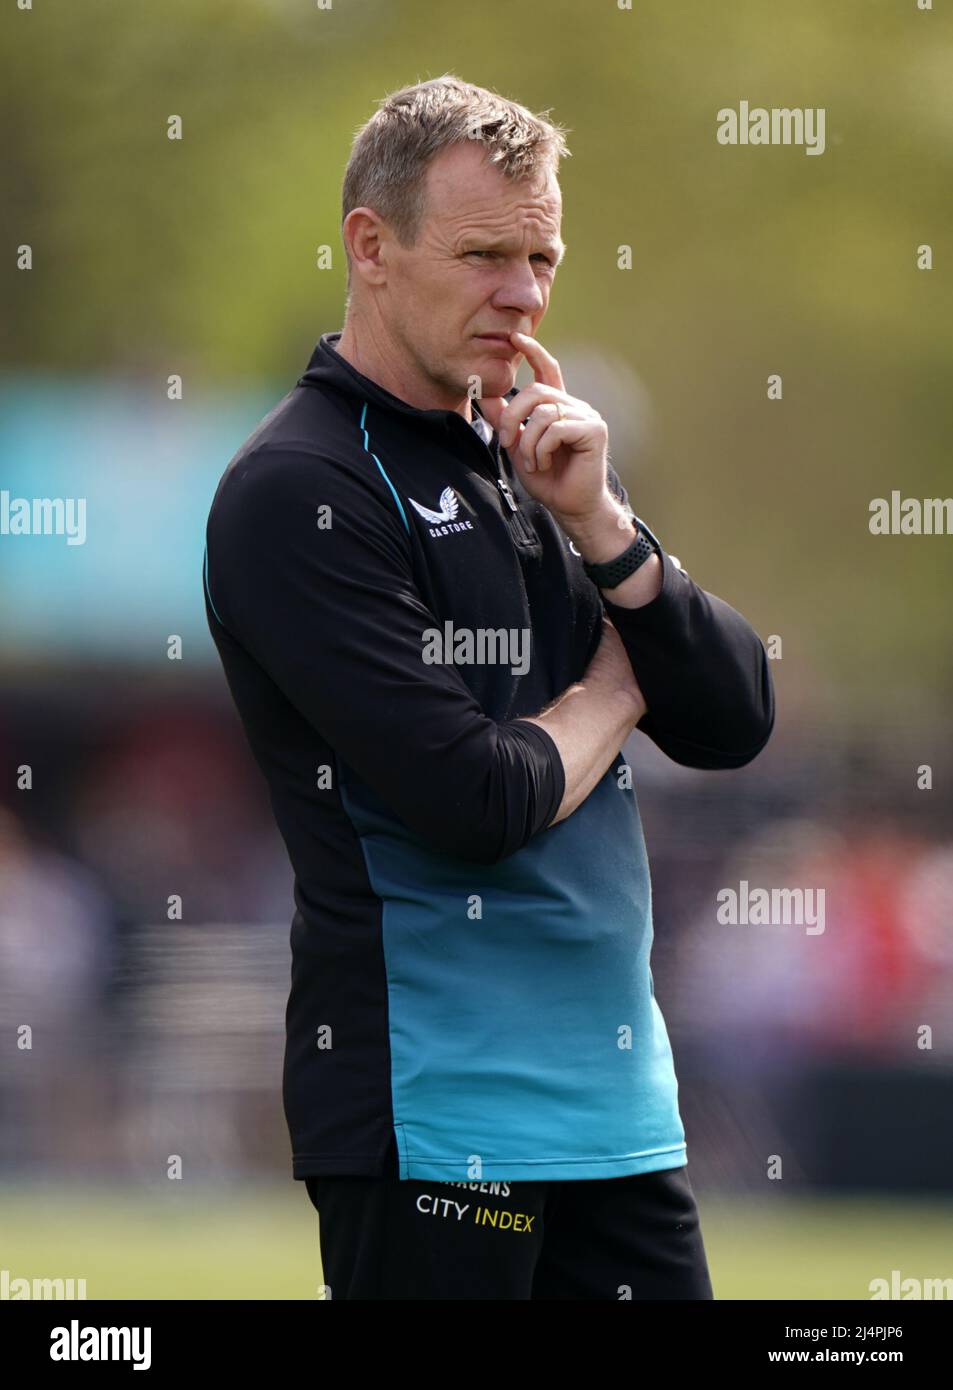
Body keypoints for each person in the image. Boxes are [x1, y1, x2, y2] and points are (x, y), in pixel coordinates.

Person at [203, 75, 775, 1300]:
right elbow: (473, 799)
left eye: (539, 257)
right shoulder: (298, 488)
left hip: (615, 1114)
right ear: (371, 247)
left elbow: (733, 717)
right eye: (481, 256)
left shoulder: (535, 460)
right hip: (435, 1117)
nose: (520, 294)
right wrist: (615, 689)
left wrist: (605, 529)